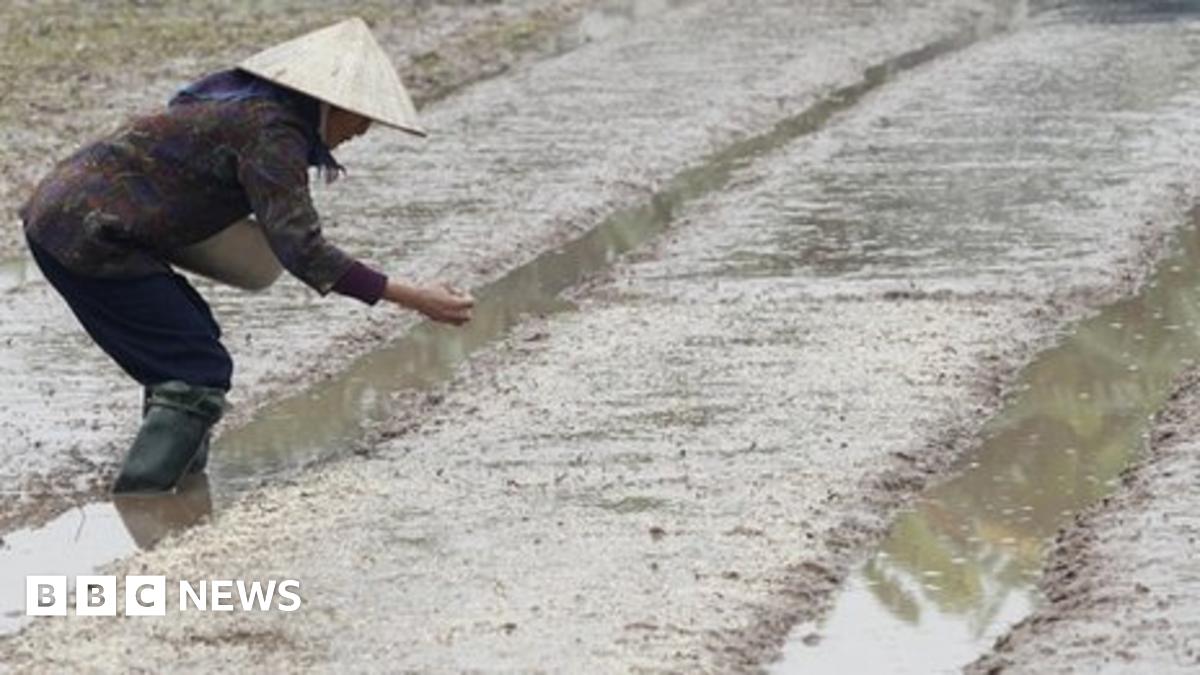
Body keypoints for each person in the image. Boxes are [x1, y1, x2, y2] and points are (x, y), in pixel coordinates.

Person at [19, 18, 474, 495]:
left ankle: (182, 490)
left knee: (191, 345)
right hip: (86, 233)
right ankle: (143, 497)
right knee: (196, 370)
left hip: (80, 218)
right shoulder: (272, 133)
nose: (361, 130)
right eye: (360, 116)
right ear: (332, 104)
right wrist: (415, 297)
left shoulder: (244, 102)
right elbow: (303, 249)